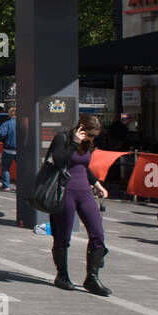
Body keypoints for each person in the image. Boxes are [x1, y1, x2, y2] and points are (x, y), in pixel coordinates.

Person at [48, 116, 112, 296]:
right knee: (63, 234)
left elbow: (83, 167)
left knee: (97, 233)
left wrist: (96, 183)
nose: (92, 139)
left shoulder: (87, 144)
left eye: (95, 136)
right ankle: (62, 275)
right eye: (90, 134)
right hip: (65, 191)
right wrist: (75, 143)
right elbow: (60, 161)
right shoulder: (63, 138)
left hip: (84, 191)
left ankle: (92, 277)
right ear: (81, 128)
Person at [0, 107, 17, 191]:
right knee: (20, 169)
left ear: (10, 113)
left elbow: (1, 135)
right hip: (22, 149)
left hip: (9, 148)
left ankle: (6, 185)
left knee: (5, 167)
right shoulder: (25, 123)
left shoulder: (7, 124)